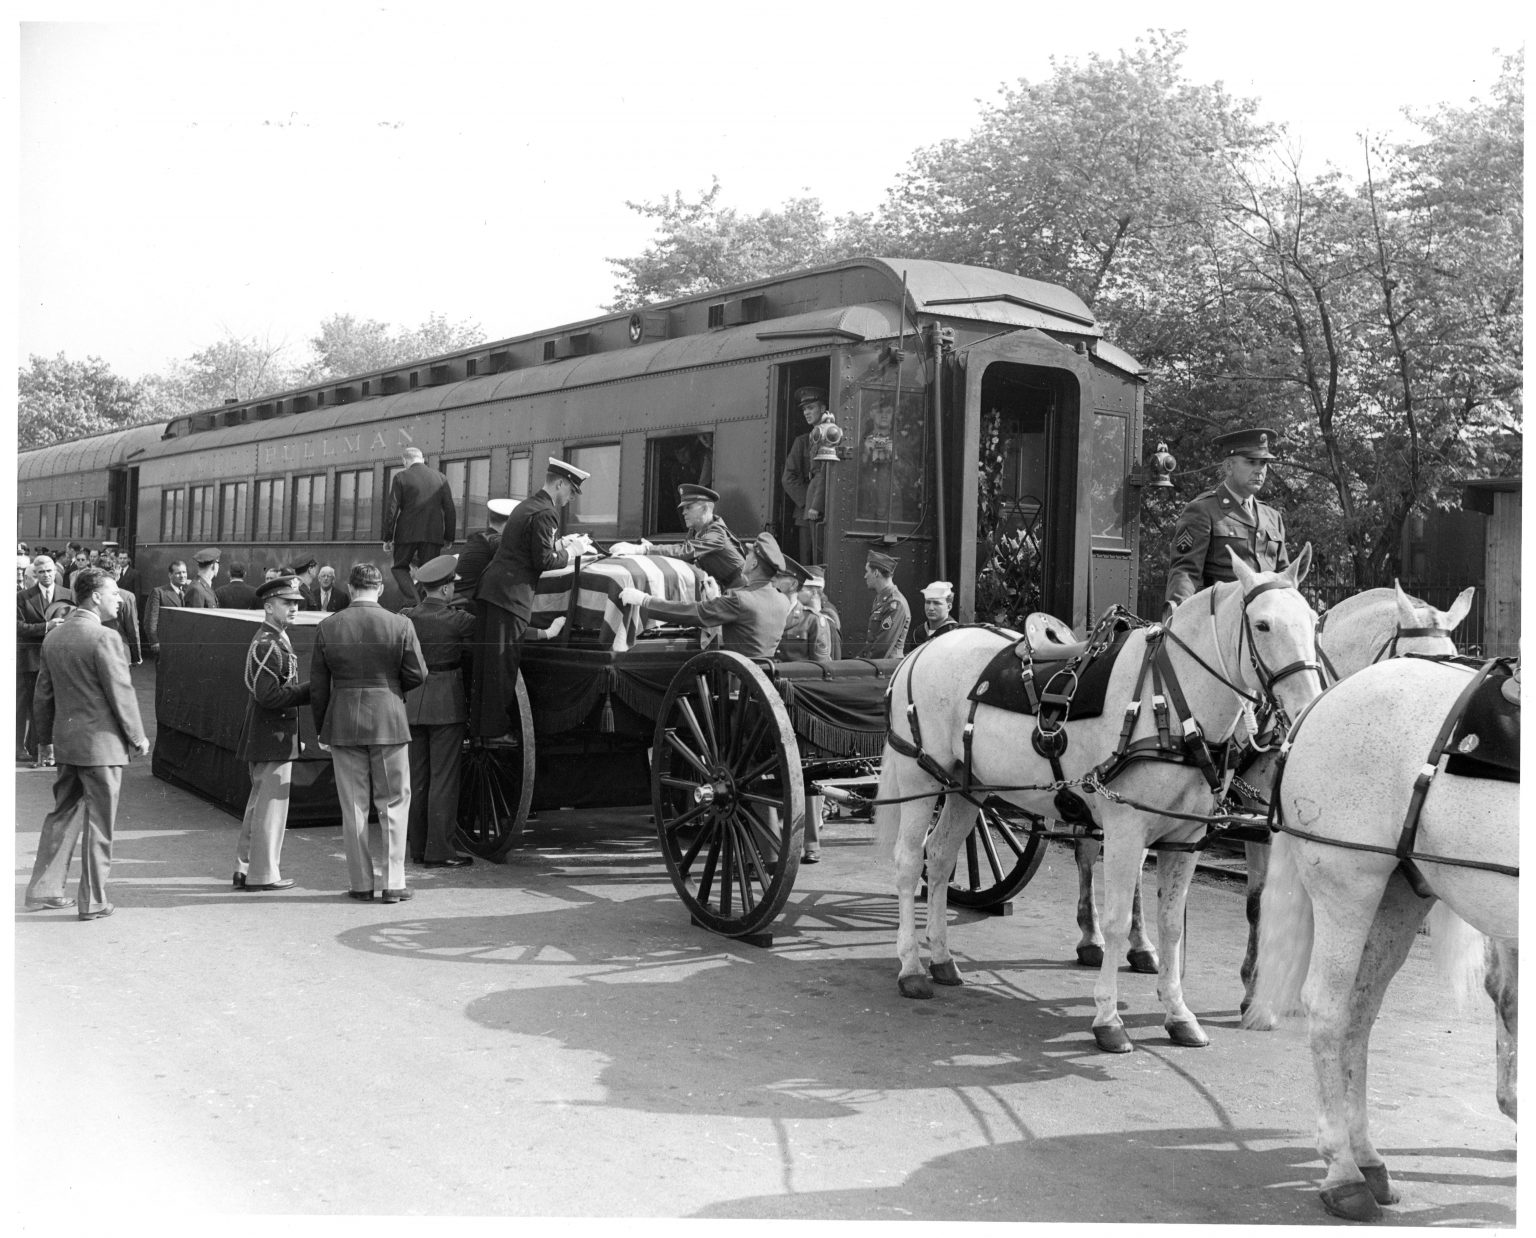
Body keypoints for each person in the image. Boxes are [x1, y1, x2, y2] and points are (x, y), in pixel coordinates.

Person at [22, 567, 151, 918]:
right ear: (95, 596)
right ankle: (93, 900)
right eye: (113, 594)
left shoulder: (54, 638)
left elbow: (42, 696)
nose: (119, 601)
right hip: (102, 748)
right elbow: (121, 693)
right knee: (100, 823)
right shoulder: (105, 638)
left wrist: (44, 742)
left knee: (62, 815)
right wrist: (137, 737)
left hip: (67, 746)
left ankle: (43, 890)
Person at [311, 562, 427, 903]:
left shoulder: (329, 626)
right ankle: (394, 883)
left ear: (349, 587)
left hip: (343, 724)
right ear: (379, 589)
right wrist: (391, 690)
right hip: (389, 722)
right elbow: (418, 673)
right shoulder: (400, 624)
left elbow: (319, 687)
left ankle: (361, 884)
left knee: (354, 807)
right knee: (393, 803)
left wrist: (323, 729)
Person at [474, 459, 592, 738]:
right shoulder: (547, 512)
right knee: (503, 663)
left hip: (494, 590)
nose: (571, 498)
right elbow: (544, 560)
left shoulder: (528, 505)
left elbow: (527, 548)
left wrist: (560, 544)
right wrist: (572, 552)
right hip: (511, 596)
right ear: (559, 484)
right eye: (571, 491)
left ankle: (482, 728)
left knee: (488, 664)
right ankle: (496, 732)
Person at [232, 575, 312, 893]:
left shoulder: (274, 637)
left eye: (296, 603)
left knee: (259, 805)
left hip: (269, 735)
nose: (294, 608)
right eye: (286, 603)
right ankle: (263, 875)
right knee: (270, 808)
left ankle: (246, 868)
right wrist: (310, 690)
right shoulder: (270, 642)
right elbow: (268, 696)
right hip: (272, 736)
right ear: (268, 606)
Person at [401, 555, 477, 868]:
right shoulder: (457, 619)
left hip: (412, 703)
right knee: (443, 779)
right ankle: (440, 851)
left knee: (417, 780)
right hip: (446, 704)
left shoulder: (406, 616)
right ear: (446, 590)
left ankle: (418, 848)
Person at [1165, 427, 1290, 610]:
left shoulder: (1272, 516)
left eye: (1263, 463)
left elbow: (1284, 575)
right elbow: (1186, 571)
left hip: (1267, 621)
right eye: (1251, 462)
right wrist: (1178, 615)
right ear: (1229, 467)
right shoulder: (1203, 510)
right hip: (1222, 622)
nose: (1259, 470)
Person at [620, 531, 793, 659]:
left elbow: (694, 612)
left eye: (748, 555)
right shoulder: (782, 600)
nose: (744, 559)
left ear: (754, 564)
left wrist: (644, 600)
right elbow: (746, 627)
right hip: (765, 679)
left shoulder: (740, 599)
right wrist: (716, 599)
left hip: (736, 683)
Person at [612, 484, 746, 590]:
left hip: (742, 590)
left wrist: (643, 550)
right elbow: (683, 554)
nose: (683, 513)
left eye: (689, 508)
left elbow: (685, 551)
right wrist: (655, 550)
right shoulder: (695, 531)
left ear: (705, 509)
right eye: (683, 508)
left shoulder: (717, 534)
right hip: (723, 589)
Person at [382, 446, 457, 605]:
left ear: (405, 461)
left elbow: (392, 509)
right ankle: (425, 604)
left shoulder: (401, 477)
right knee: (429, 571)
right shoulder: (441, 478)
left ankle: (414, 601)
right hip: (432, 534)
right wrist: (449, 537)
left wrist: (387, 537)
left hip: (406, 534)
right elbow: (450, 508)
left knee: (400, 567)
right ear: (422, 459)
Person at [17, 554, 70, 764]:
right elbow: (18, 627)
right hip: (32, 661)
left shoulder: (67, 594)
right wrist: (46, 627)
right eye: (41, 572)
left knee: (59, 704)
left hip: (60, 659)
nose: (46, 575)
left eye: (49, 571)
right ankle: (37, 753)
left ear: (55, 571)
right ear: (34, 574)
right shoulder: (23, 597)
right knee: (35, 706)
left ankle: (58, 752)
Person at [781, 386, 830, 561]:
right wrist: (808, 503)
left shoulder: (830, 436)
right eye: (804, 409)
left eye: (811, 408)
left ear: (823, 409)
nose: (806, 413)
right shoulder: (802, 442)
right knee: (808, 561)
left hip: (827, 508)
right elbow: (788, 478)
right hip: (806, 512)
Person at [453, 497, 516, 607]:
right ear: (509, 524)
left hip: (459, 600)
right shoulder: (496, 541)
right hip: (471, 605)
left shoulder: (479, 538)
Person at [778, 565, 839, 662]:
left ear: (793, 585)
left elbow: (821, 665)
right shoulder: (768, 615)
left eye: (779, 578)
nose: (773, 582)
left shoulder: (812, 620)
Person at [859, 549, 910, 658]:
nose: (865, 576)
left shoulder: (895, 603)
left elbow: (883, 647)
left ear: (876, 573)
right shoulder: (882, 599)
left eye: (867, 571)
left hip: (887, 669)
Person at [144, 559, 190, 655]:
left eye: (184, 572)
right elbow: (151, 619)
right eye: (178, 573)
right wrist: (154, 641)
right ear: (170, 575)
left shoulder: (189, 591)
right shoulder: (159, 592)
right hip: (166, 642)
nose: (182, 576)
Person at [102, 555, 143, 664]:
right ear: (118, 571)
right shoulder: (127, 596)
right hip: (120, 650)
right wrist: (136, 656)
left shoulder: (92, 593)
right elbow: (132, 629)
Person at [907, 580, 959, 651]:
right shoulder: (919, 632)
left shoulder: (954, 633)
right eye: (928, 602)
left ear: (949, 607)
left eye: (937, 603)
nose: (931, 608)